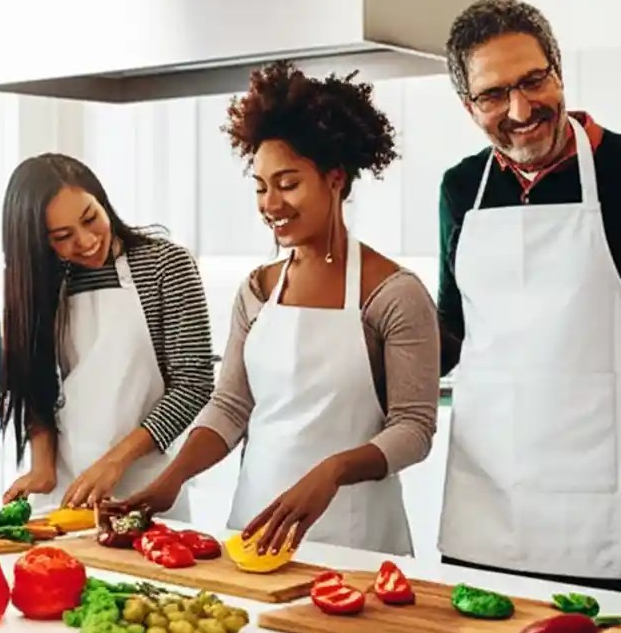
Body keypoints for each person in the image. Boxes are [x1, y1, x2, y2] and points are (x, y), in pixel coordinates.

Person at [436, 0, 621, 593]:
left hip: (604, 506)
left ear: (558, 71)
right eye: (492, 94)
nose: (520, 109)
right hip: (486, 501)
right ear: (468, 105)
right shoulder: (461, 188)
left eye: (533, 80)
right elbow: (452, 330)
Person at [126, 61, 439, 555]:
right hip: (252, 527)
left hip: (356, 538)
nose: (270, 203)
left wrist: (333, 470)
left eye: (288, 183)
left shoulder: (395, 292)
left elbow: (414, 428)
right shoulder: (257, 289)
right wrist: (172, 478)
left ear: (335, 179)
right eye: (260, 186)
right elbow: (231, 407)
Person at [0, 154, 213, 517]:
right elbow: (33, 380)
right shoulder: (41, 283)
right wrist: (42, 468)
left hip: (147, 488)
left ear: (102, 200)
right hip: (69, 492)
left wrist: (116, 462)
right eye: (63, 237)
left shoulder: (165, 265)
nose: (86, 241)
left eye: (90, 218)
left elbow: (194, 383)